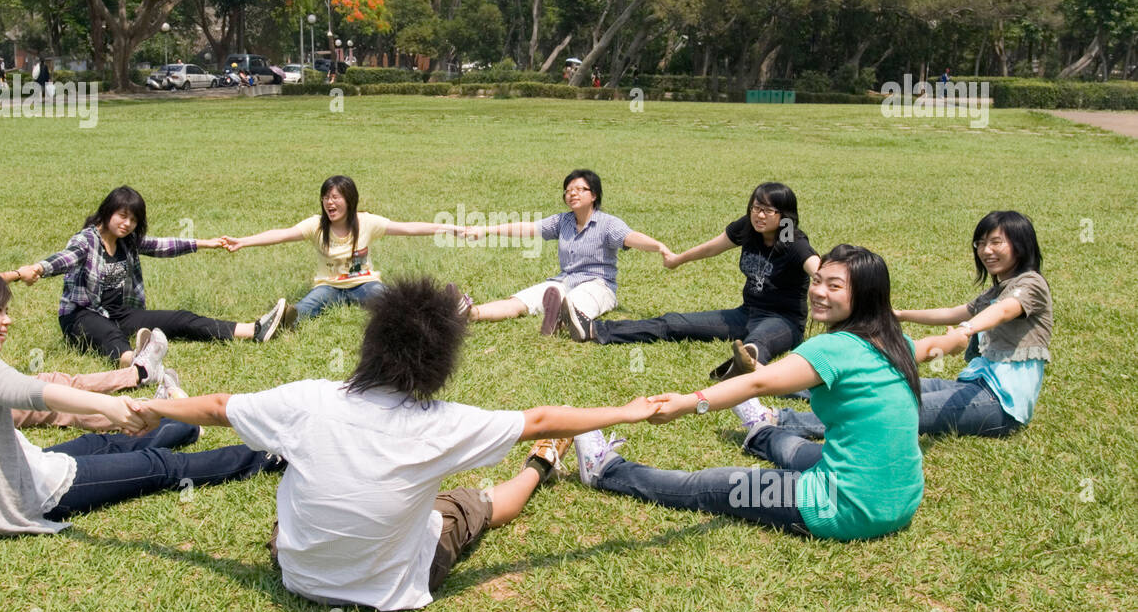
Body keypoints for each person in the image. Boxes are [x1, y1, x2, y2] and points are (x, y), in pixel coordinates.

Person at [134, 277, 663, 610]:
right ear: (439, 363)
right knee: (469, 504)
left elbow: (218, 406)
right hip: (394, 585)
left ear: (372, 341)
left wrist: (152, 407)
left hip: (297, 573)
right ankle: (541, 467)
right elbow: (544, 416)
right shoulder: (442, 422)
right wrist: (630, 410)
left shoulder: (311, 399)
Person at [571, 245, 969, 541]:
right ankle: (762, 431)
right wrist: (958, 337)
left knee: (717, 486)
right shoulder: (893, 342)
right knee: (798, 452)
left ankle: (607, 471)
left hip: (843, 508)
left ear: (864, 296)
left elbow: (759, 383)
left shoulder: (832, 348)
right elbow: (931, 346)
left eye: (835, 286)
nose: (819, 292)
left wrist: (688, 403)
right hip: (898, 503)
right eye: (817, 280)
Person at [0, 269, 283, 536]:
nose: (8, 321)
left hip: (12, 472)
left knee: (101, 443)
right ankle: (269, 455)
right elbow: (34, 393)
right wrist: (110, 407)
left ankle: (182, 425)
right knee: (160, 467)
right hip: (29, 494)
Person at [770, 211, 1051, 439]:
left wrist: (967, 329)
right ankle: (776, 382)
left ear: (1021, 244)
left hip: (1001, 405)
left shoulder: (1031, 284)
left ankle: (779, 420)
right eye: (981, 243)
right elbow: (954, 312)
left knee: (889, 408)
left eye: (996, 242)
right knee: (886, 382)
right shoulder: (997, 289)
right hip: (976, 383)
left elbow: (1003, 312)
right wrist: (902, 314)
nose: (985, 250)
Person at [0, 228, 167, 432]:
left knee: (56, 382)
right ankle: (148, 418)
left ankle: (139, 373)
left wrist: (19, 273)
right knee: (56, 407)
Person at [15, 186, 285, 367]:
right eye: (122, 216)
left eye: (133, 220)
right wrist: (39, 268)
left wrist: (206, 243)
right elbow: (66, 258)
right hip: (81, 316)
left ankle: (253, 330)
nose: (127, 224)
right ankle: (136, 367)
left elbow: (162, 246)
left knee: (180, 318)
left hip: (120, 312)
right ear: (107, 212)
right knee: (110, 334)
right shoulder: (86, 241)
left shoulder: (127, 240)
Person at [571, 182, 818, 377]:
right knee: (673, 323)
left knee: (757, 342)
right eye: (755, 207)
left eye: (767, 210)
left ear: (784, 215)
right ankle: (593, 329)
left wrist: (826, 292)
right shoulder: (748, 228)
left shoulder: (792, 242)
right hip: (747, 313)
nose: (759, 215)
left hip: (783, 322)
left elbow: (818, 270)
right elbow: (712, 248)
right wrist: (678, 259)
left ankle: (744, 365)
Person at [220, 175, 462, 335]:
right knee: (305, 308)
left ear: (350, 200)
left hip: (364, 284)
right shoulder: (316, 225)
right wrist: (243, 241)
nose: (329, 202)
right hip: (329, 286)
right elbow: (282, 234)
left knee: (392, 304)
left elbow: (408, 228)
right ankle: (273, 324)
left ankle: (443, 310)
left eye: (335, 197)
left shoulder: (366, 222)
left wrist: (448, 228)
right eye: (326, 197)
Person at [462, 169, 673, 337]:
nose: (573, 193)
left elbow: (631, 237)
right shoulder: (563, 221)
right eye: (569, 190)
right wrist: (486, 230)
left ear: (594, 195)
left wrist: (659, 247)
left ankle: (559, 321)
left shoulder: (608, 224)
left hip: (598, 285)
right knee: (521, 301)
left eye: (580, 189)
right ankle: (471, 312)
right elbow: (526, 228)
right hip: (563, 281)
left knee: (574, 303)